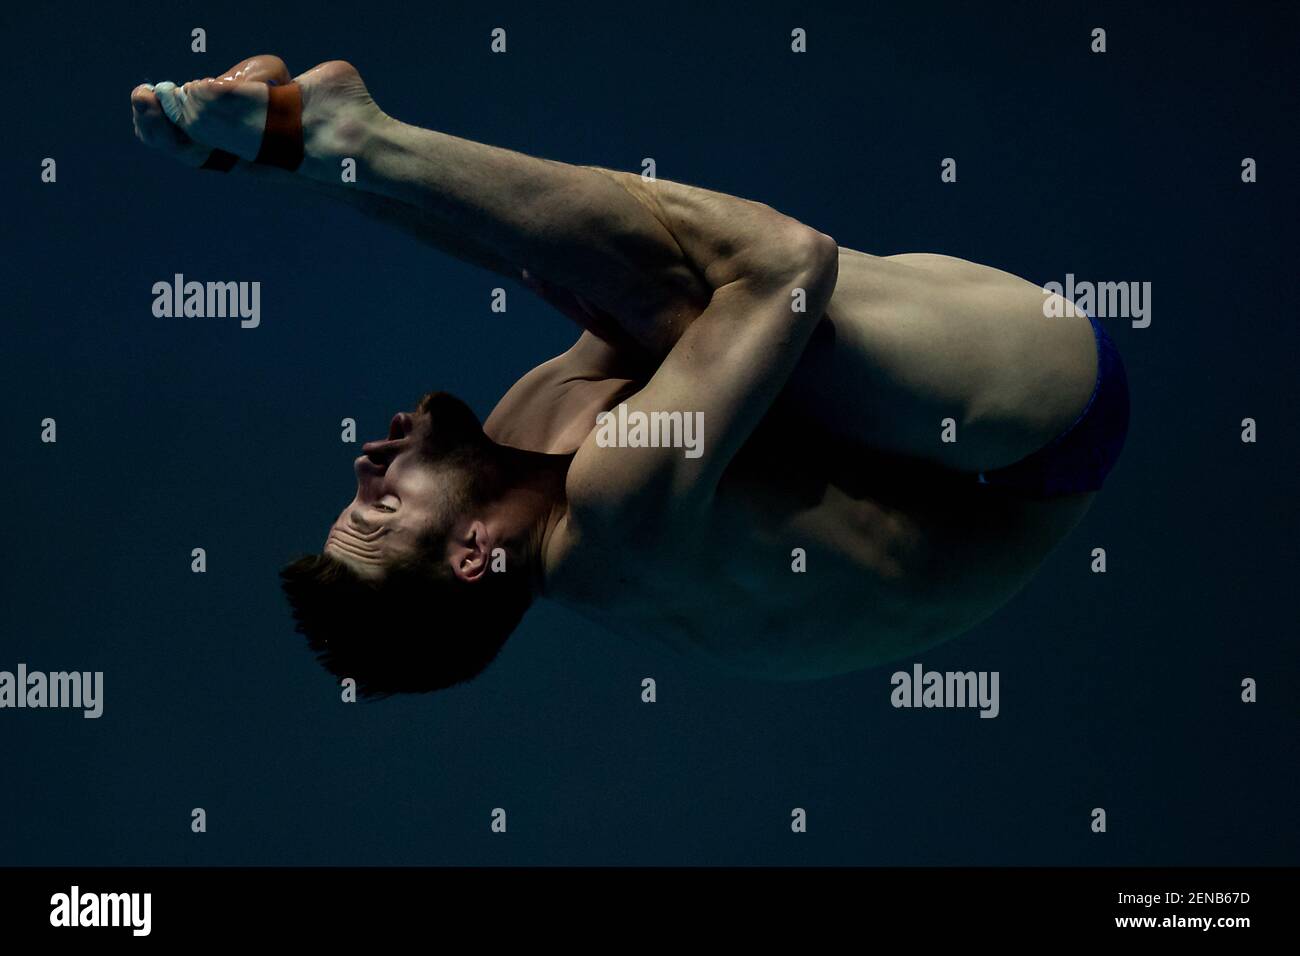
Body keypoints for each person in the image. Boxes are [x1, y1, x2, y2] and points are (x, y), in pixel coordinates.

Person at [130, 55, 1129, 696]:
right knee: (705, 303)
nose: (363, 466)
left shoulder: (534, 440)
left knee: (636, 303)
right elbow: (788, 263)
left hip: (879, 444)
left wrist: (298, 172)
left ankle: (330, 152)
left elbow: (553, 250)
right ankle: (355, 143)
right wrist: (359, 156)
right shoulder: (616, 514)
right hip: (1023, 448)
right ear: (474, 554)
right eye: (381, 510)